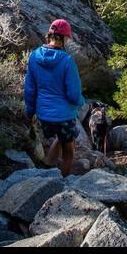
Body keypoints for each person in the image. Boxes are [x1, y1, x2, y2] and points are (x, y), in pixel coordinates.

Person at [24, 18, 83, 177]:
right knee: (69, 154)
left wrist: (29, 111)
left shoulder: (34, 56)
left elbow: (30, 88)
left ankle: (46, 168)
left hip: (44, 115)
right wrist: (81, 102)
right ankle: (62, 186)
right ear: (64, 38)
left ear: (49, 35)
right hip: (64, 116)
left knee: (62, 136)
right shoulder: (67, 61)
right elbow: (74, 94)